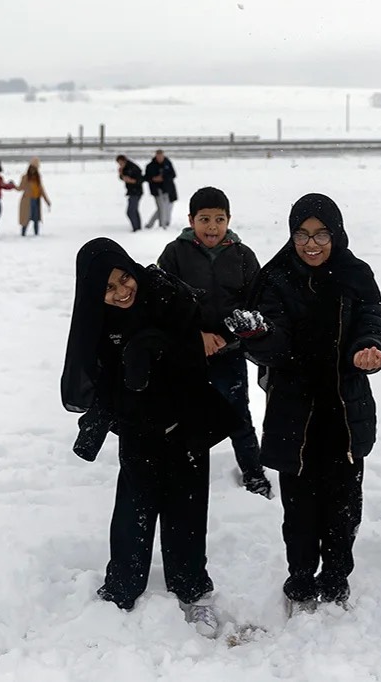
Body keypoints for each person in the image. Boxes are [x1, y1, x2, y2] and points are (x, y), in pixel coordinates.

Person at [60, 238, 240, 639]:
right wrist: (104, 415)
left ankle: (192, 590)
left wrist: (151, 348)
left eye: (124, 278)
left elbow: (201, 355)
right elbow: (103, 379)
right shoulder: (99, 322)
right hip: (139, 427)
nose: (123, 290)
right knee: (133, 513)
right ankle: (122, 588)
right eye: (109, 289)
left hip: (187, 420)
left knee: (187, 511)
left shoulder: (166, 292)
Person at [230, 193, 381, 616]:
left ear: (335, 233)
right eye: (302, 234)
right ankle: (299, 582)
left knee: (344, 510)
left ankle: (336, 580)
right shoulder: (277, 277)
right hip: (294, 416)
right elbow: (275, 346)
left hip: (344, 412)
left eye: (320, 234)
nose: (311, 244)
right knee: (298, 514)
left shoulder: (356, 274)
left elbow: (371, 318)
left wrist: (368, 347)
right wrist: (259, 334)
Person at [156, 187, 270, 497]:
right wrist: (196, 336)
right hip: (188, 355)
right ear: (191, 220)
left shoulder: (242, 255)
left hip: (229, 354)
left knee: (238, 416)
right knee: (185, 418)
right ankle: (182, 474)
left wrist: (229, 336)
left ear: (229, 220)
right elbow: (162, 304)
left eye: (219, 219)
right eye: (204, 219)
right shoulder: (174, 254)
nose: (212, 227)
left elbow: (255, 303)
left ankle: (254, 474)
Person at [15, 158, 51, 237]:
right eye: (32, 168)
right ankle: (23, 233)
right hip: (27, 201)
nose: (33, 170)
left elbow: (41, 190)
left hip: (36, 200)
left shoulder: (38, 178)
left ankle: (36, 234)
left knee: (36, 218)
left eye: (35, 168)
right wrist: (13, 186)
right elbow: (20, 188)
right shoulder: (25, 177)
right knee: (26, 218)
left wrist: (47, 201)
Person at [144, 149, 178, 230]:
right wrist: (154, 179)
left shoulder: (167, 163)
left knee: (164, 207)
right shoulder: (150, 165)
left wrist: (163, 178)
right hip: (156, 190)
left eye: (161, 156)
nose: (160, 158)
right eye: (158, 156)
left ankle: (153, 224)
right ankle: (162, 225)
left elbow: (173, 174)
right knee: (162, 207)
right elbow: (146, 177)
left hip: (167, 189)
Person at [116, 155, 145, 232]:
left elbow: (141, 179)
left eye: (121, 163)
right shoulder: (125, 168)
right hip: (131, 191)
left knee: (130, 211)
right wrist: (121, 174)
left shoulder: (133, 168)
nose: (120, 165)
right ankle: (138, 227)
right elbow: (123, 178)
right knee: (134, 210)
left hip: (136, 191)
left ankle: (136, 228)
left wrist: (132, 181)